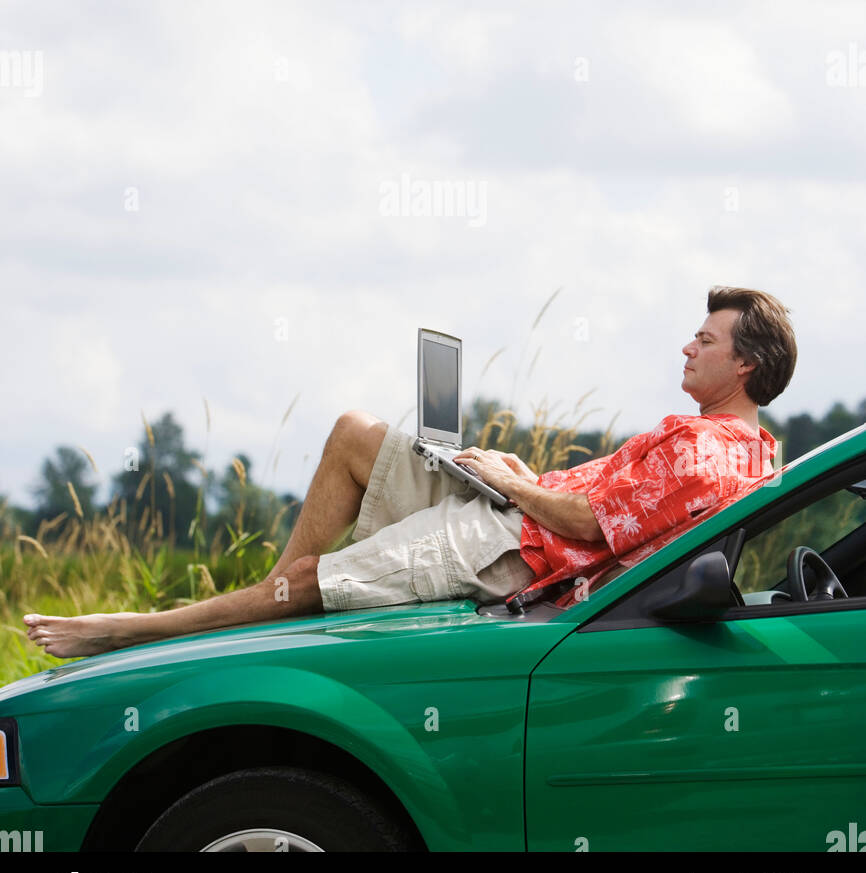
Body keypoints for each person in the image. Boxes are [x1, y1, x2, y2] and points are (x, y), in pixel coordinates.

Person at [23, 285, 796, 659]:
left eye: (704, 340)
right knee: (355, 435)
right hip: (524, 509)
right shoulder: (749, 449)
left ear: (745, 364)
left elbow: (595, 529)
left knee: (308, 583)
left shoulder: (706, 453)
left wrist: (521, 488)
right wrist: (520, 473)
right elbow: (608, 506)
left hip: (510, 547)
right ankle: (259, 605)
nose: (687, 349)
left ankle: (129, 633)